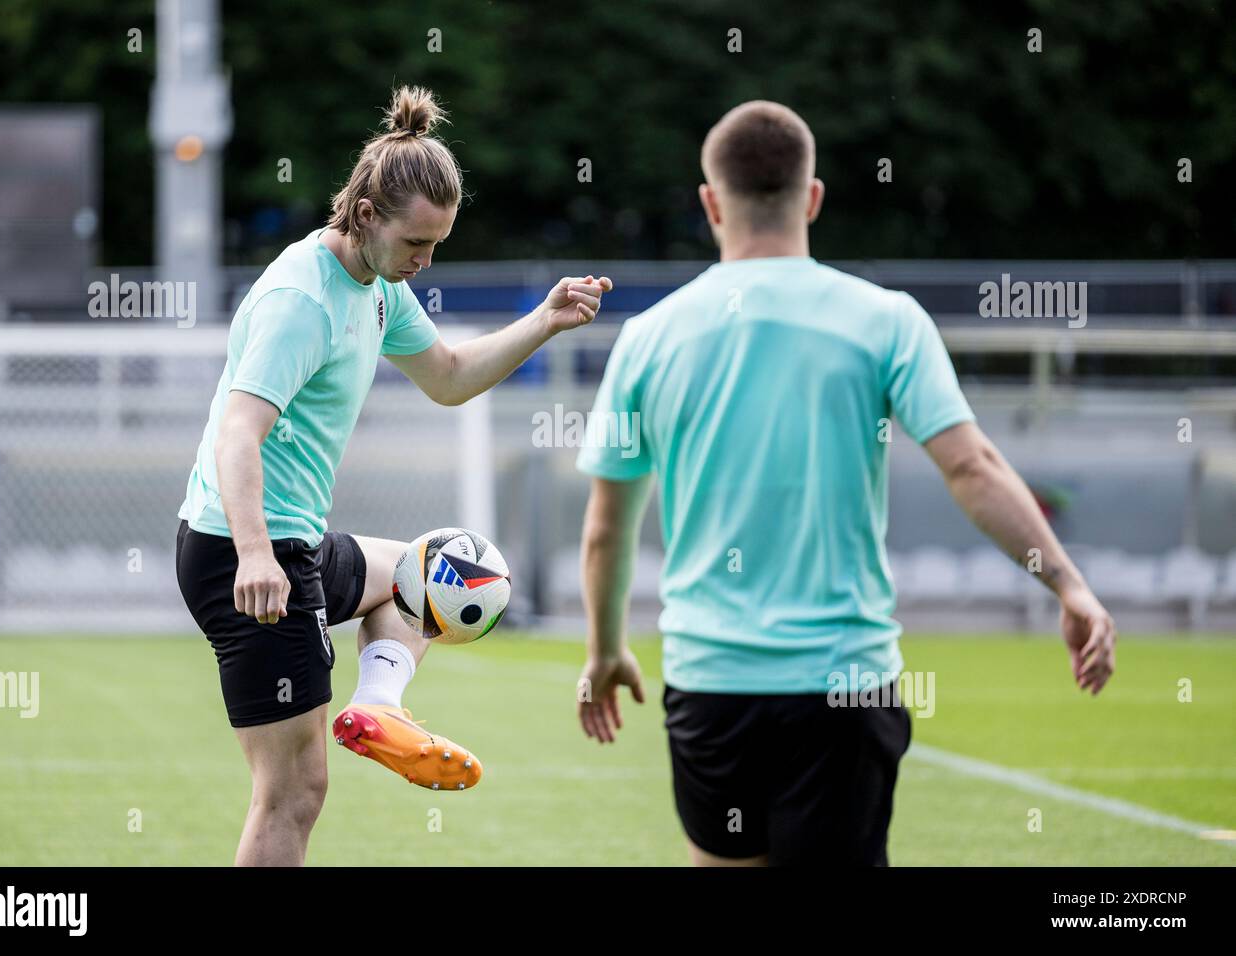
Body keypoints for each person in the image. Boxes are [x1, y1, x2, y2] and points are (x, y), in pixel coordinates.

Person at [573, 100, 1115, 867]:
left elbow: (606, 527)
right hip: (845, 683)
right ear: (814, 197)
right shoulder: (887, 320)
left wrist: (603, 652)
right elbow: (973, 466)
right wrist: (1069, 586)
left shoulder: (648, 337)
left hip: (710, 681)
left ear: (709, 203)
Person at [175, 85, 612, 866]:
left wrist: (544, 320)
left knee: (432, 571)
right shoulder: (301, 299)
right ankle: (369, 710)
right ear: (368, 216)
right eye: (418, 243)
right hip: (240, 552)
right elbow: (238, 433)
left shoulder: (378, 287)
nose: (426, 261)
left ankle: (377, 709)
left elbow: (446, 376)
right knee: (293, 793)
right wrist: (253, 555)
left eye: (438, 244)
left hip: (291, 542)